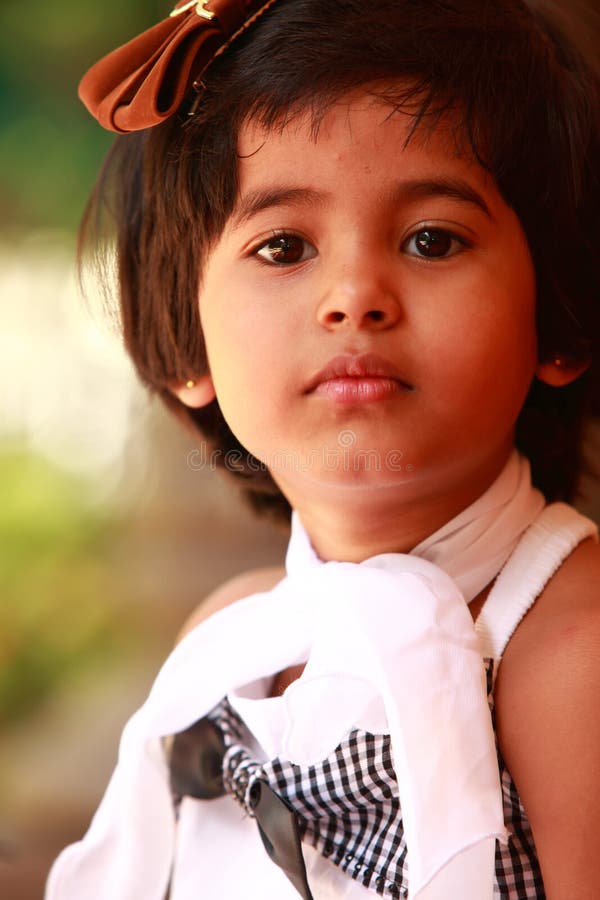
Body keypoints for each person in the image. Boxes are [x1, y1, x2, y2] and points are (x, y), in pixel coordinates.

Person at [47, 1, 600, 898]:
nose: (353, 296)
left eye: (432, 239)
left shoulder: (571, 647)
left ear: (561, 319)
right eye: (284, 246)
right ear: (188, 343)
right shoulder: (230, 640)